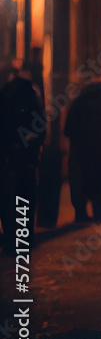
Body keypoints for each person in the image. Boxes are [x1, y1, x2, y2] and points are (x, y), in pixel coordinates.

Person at [1, 67, 45, 254]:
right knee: (25, 199)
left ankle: (11, 240)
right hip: (26, 159)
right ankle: (25, 239)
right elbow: (39, 129)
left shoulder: (6, 97)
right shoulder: (32, 97)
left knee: (8, 201)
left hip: (8, 157)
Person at [64, 80, 101, 222]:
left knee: (80, 184)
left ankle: (80, 213)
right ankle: (99, 213)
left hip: (80, 151)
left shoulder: (78, 102)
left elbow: (68, 128)